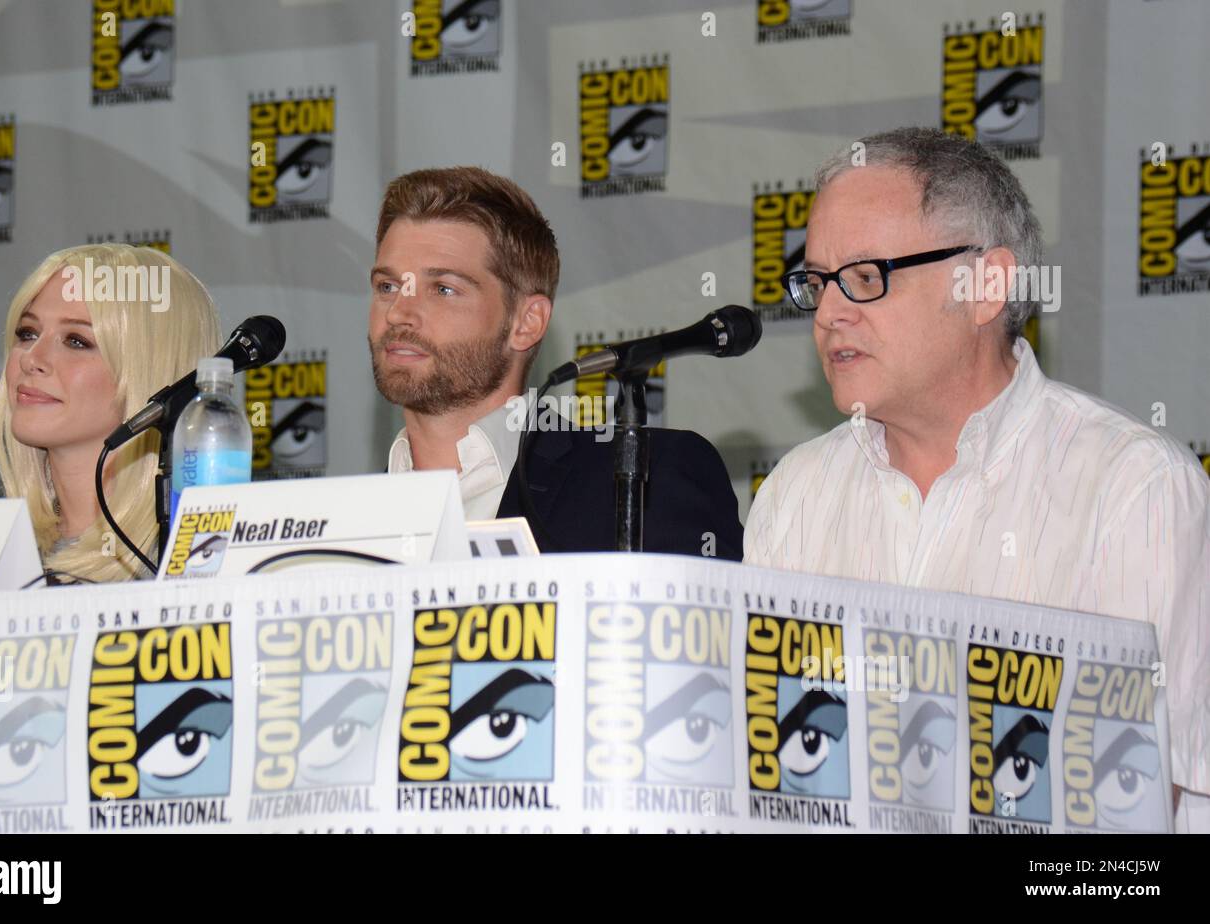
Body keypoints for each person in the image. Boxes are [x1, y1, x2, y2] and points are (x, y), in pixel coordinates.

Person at [744, 126, 1210, 830]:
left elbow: (1138, 812)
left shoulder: (1131, 488)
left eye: (866, 278)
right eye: (816, 282)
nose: (830, 312)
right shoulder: (795, 495)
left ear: (986, 285)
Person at [369, 166, 742, 559]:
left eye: (443, 289)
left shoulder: (644, 485)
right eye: (387, 286)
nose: (397, 313)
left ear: (526, 323)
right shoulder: (338, 518)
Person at [0, 243, 221, 582]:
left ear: (152, 370)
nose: (30, 358)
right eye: (28, 333)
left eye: (76, 341)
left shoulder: (205, 564)